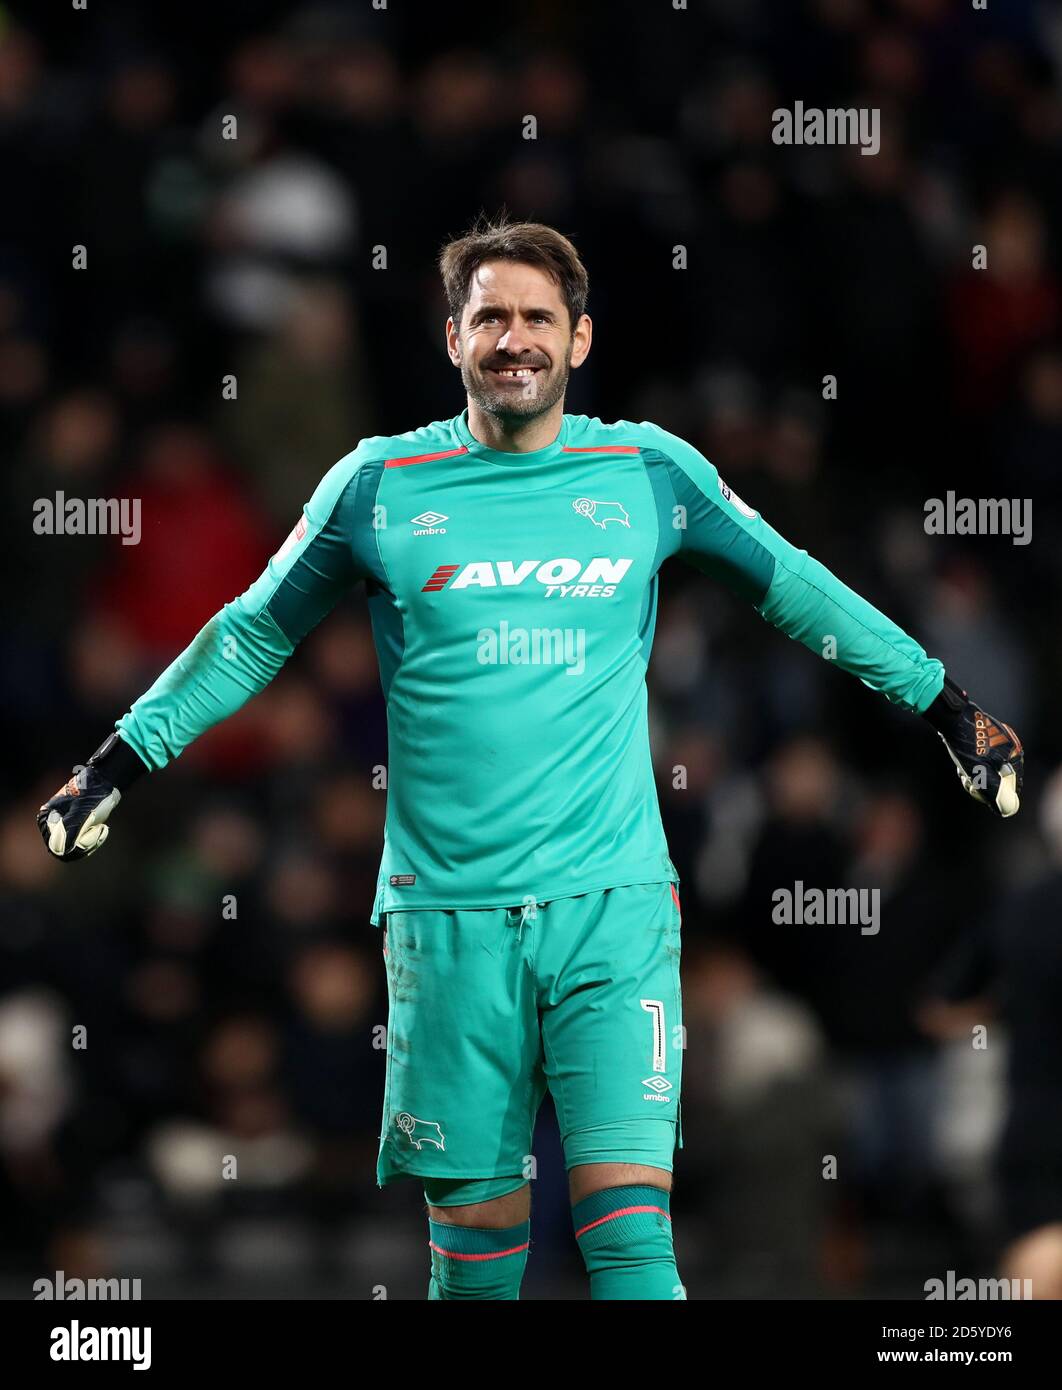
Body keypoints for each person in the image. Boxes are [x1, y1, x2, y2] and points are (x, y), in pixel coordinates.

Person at [37, 215, 1025, 1300]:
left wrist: (942, 701)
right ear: (452, 337)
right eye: (491, 316)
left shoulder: (649, 472)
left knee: (628, 1230)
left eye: (538, 318)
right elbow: (251, 631)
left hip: (612, 903)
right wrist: (120, 760)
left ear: (582, 338)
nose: (516, 338)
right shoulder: (377, 486)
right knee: (475, 1249)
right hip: (446, 915)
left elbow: (795, 585)